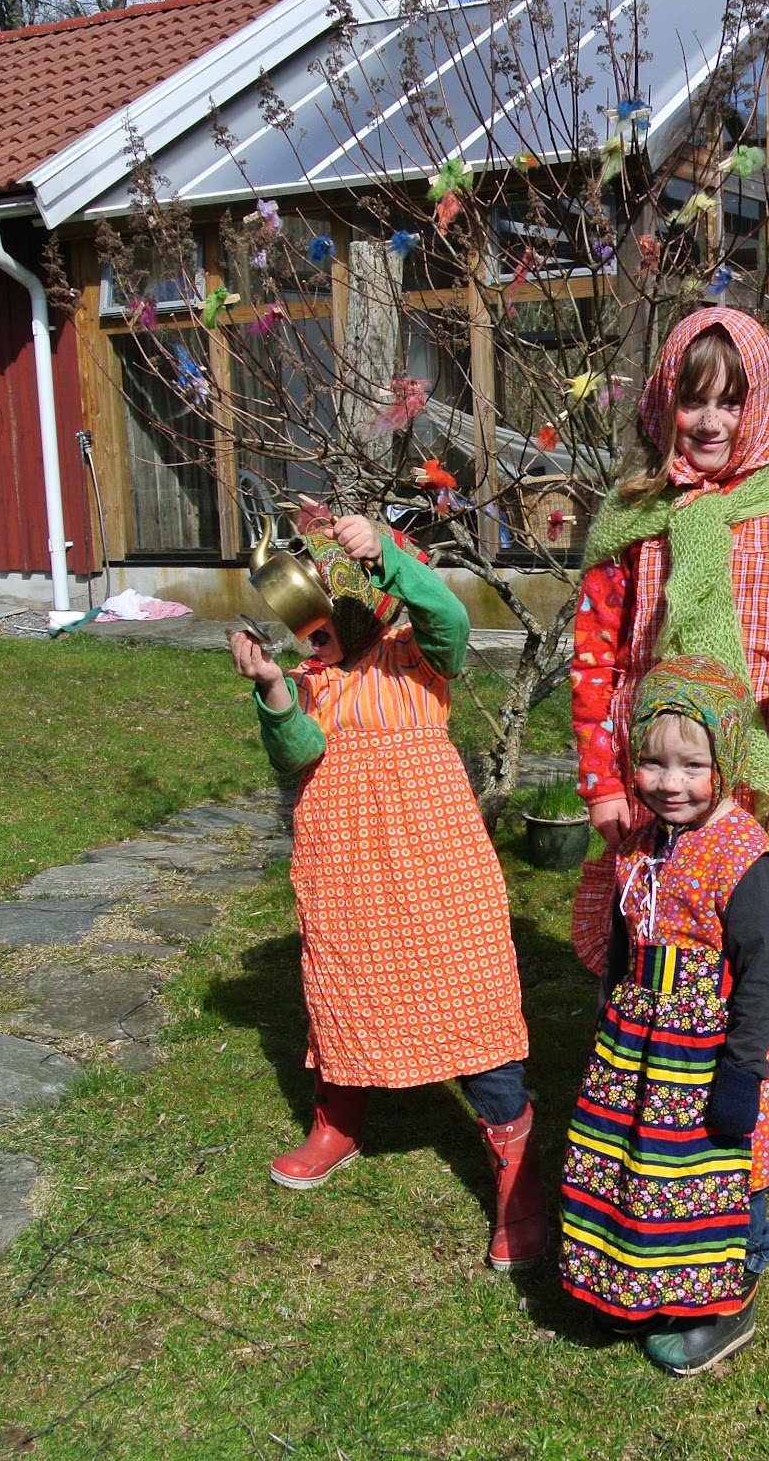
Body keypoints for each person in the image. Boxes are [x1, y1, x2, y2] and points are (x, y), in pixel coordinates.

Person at [229, 507, 547, 1270]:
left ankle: (516, 1164)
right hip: (344, 866)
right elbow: (295, 752)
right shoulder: (309, 681)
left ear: (366, 606)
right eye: (302, 626)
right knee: (346, 987)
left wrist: (389, 557)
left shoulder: (421, 657)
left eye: (323, 620)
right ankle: (339, 1122)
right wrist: (273, 687)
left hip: (435, 861)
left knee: (470, 996)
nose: (312, 636)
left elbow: (445, 609)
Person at [571, 304, 769, 986]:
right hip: (656, 770)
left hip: (764, 760)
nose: (711, 421)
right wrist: (601, 786)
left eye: (732, 402)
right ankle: (650, 1060)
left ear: (763, 405)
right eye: (694, 400)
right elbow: (596, 660)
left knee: (754, 933)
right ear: (665, 403)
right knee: (656, 927)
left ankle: (753, 1070)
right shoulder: (632, 516)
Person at [560, 655, 769, 1375]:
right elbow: (623, 932)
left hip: (716, 1051)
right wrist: (612, 1008)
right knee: (645, 1165)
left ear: (726, 761)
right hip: (641, 1042)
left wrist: (742, 1074)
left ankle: (729, 1295)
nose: (670, 784)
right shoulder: (642, 841)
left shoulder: (745, 859)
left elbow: (763, 978)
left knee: (724, 1172)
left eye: (692, 767)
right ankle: (646, 1282)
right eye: (652, 764)